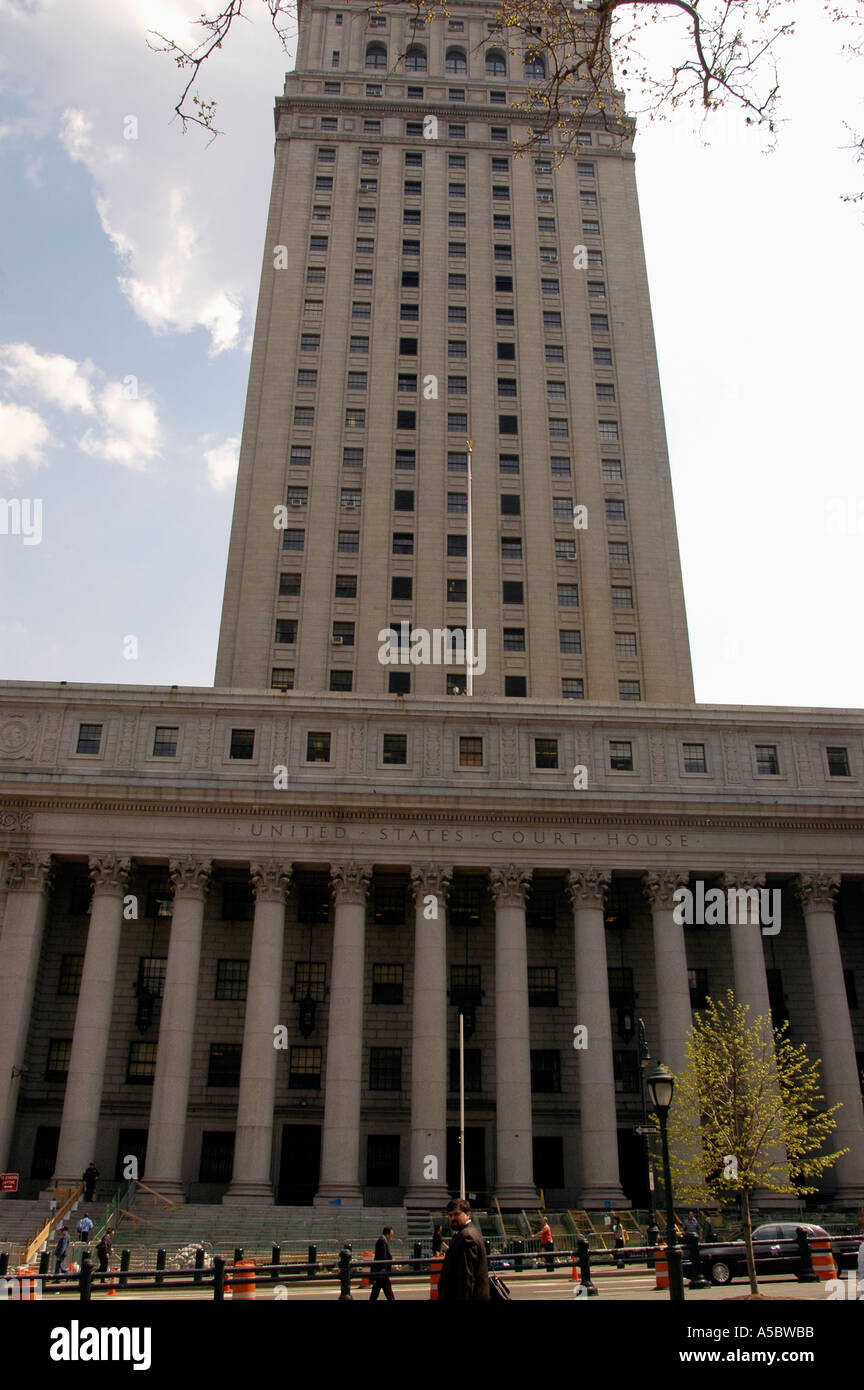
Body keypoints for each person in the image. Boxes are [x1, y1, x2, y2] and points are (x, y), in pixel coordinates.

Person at [437, 1199, 490, 1301]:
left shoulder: (467, 1237)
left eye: (456, 1214)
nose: (453, 1218)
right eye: (450, 1215)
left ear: (468, 1214)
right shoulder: (467, 1233)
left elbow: (466, 1278)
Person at [369, 1225, 395, 1301]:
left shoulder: (382, 1240)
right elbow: (383, 1255)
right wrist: (383, 1267)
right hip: (382, 1270)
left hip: (381, 1270)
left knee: (377, 1290)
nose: (391, 1237)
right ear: (387, 1233)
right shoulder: (382, 1241)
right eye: (391, 1235)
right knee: (386, 1290)